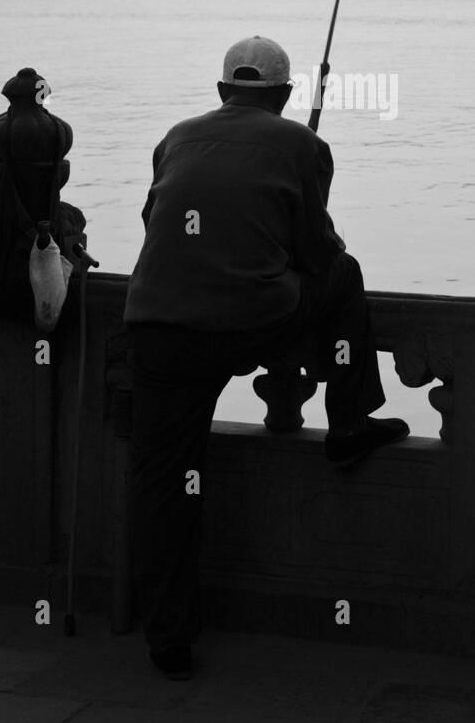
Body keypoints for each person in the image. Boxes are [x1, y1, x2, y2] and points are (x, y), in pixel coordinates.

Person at [124, 35, 409, 680]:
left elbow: (155, 223)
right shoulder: (302, 145)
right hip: (249, 322)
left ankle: (168, 640)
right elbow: (317, 250)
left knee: (161, 484)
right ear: (283, 96)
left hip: (158, 325)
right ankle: (350, 420)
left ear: (222, 91)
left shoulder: (175, 137)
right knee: (345, 272)